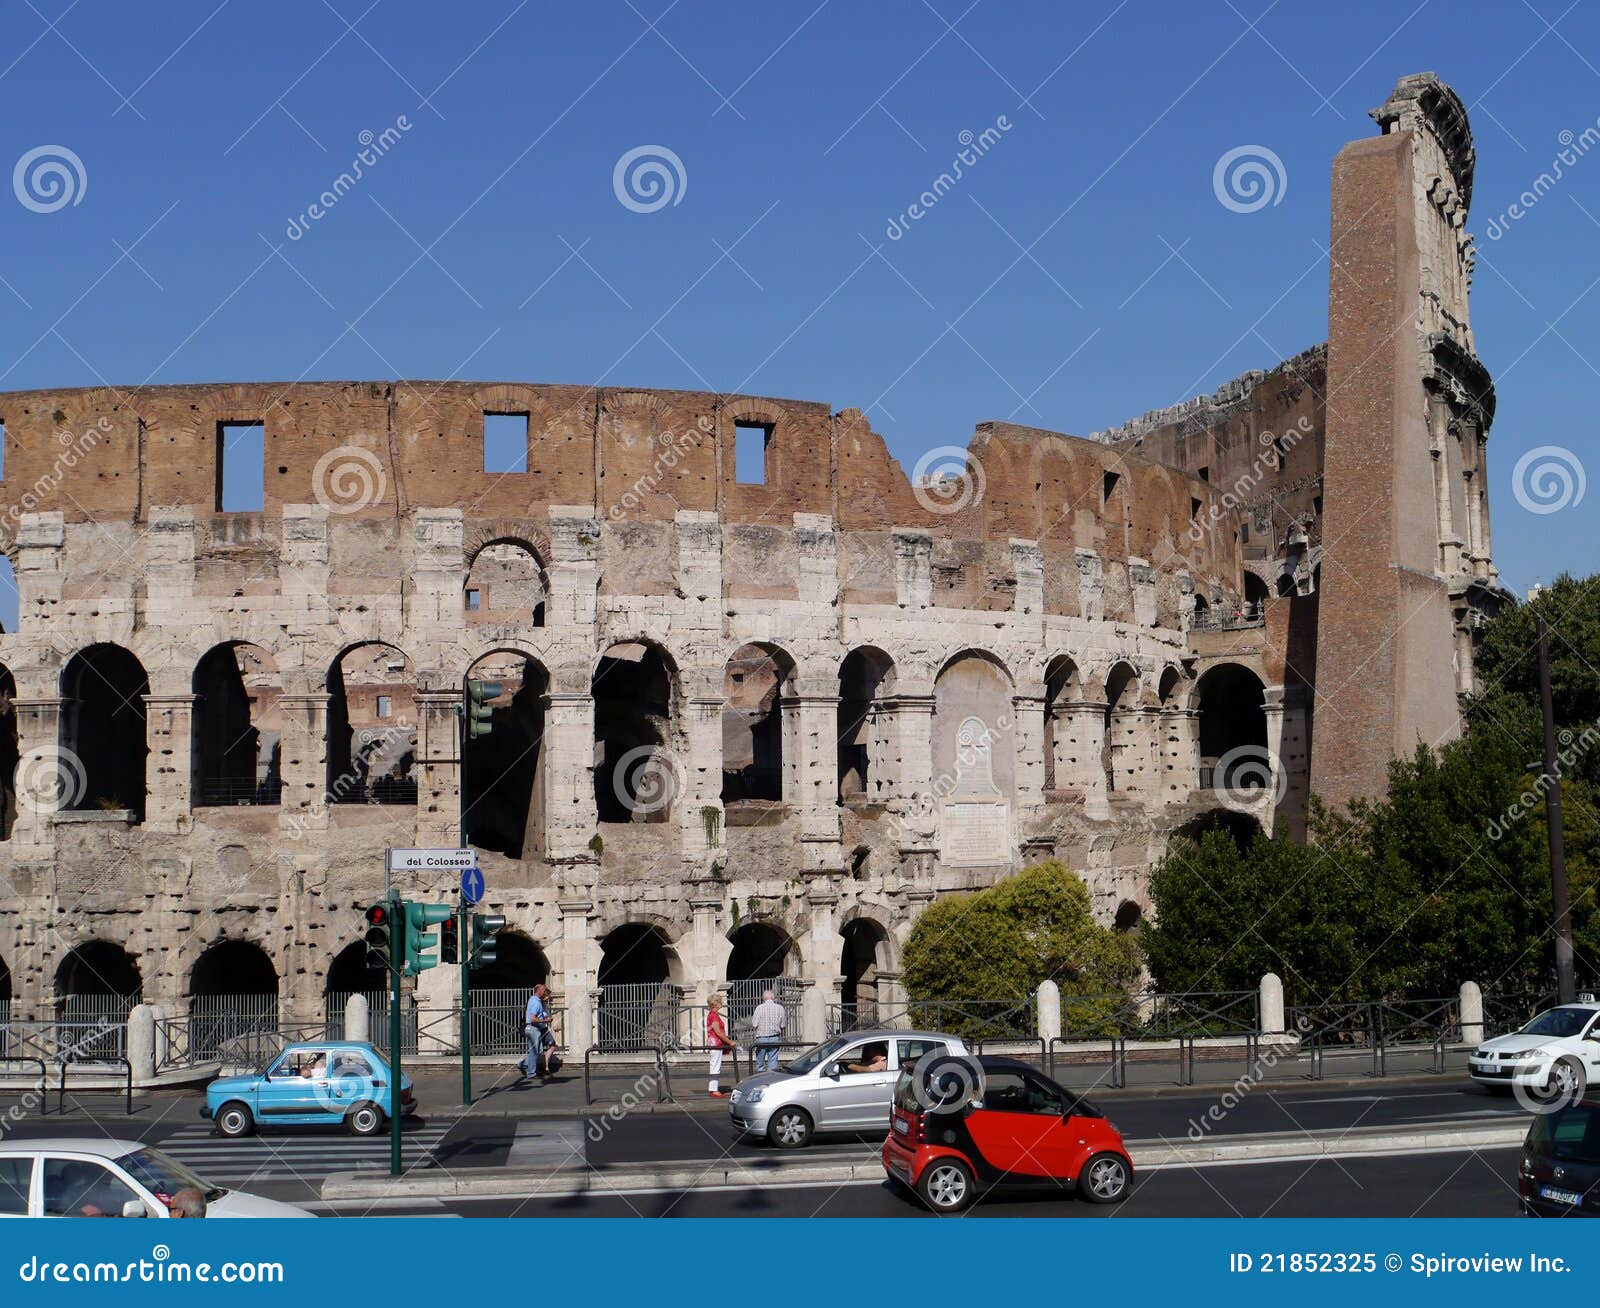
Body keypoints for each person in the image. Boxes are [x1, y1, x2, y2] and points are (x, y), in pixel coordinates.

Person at [749, 989, 786, 1074]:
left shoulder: (759, 1008)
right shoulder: (780, 1008)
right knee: (773, 1060)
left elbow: (754, 1024)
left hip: (761, 1038)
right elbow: (783, 1025)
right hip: (775, 1037)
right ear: (773, 998)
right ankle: (770, 1077)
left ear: (763, 998)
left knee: (760, 1061)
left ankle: (760, 1076)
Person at [706, 994, 736, 1097]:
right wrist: (729, 1042)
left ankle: (713, 1088)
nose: (722, 1003)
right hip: (716, 1043)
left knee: (715, 1065)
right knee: (715, 1066)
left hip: (714, 1043)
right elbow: (718, 1032)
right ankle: (713, 1090)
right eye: (720, 1001)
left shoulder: (712, 1014)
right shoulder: (714, 1015)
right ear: (716, 1003)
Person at [519, 984, 551, 1081]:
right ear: (539, 991)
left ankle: (523, 1065)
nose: (545, 992)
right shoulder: (536, 1002)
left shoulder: (534, 1000)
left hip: (532, 1028)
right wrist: (545, 1021)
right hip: (533, 1028)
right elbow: (533, 1019)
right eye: (544, 990)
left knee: (538, 1051)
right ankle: (531, 1073)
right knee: (534, 1052)